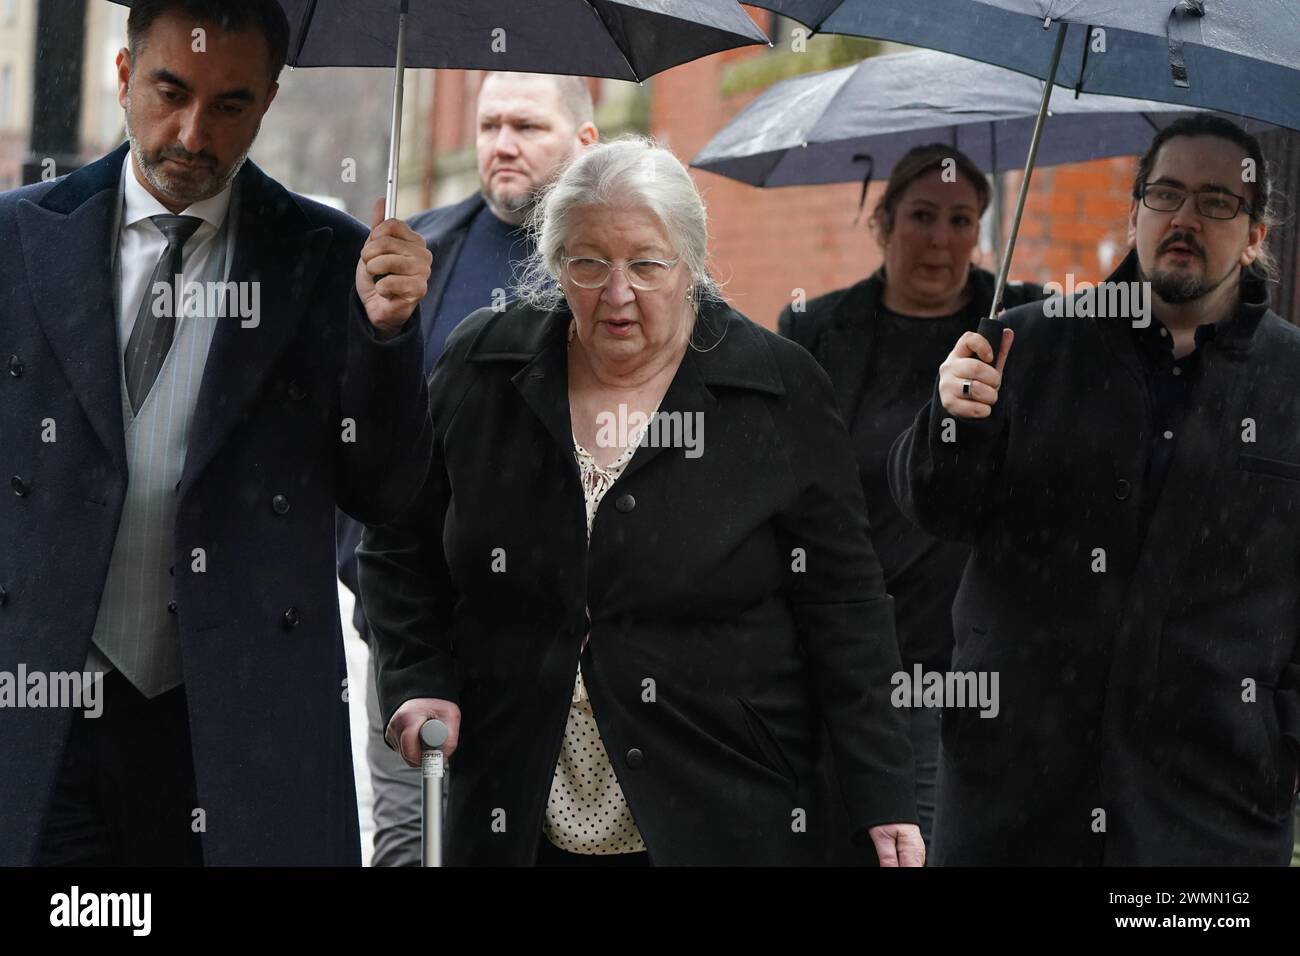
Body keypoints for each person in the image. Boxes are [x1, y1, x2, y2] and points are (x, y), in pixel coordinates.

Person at [358, 137, 924, 866]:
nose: (617, 294)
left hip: (720, 804)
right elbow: (399, 539)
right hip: (515, 794)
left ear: (691, 266)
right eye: (588, 263)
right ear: (555, 264)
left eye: (647, 264)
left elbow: (846, 606)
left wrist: (882, 796)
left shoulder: (777, 389)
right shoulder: (483, 364)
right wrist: (417, 680)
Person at [0, 0, 433, 866]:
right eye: (171, 91)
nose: (194, 133)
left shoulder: (329, 258)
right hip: (43, 706)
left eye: (230, 104)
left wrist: (388, 340)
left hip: (236, 723)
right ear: (123, 77)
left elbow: (383, 491)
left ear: (268, 101)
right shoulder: (16, 238)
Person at [890, 115, 1300, 865]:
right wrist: (951, 418)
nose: (1183, 218)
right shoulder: (1028, 342)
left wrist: (1278, 738)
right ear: (1135, 210)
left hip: (1210, 810)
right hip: (1014, 791)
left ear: (1253, 235)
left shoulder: (1292, 382)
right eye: (1165, 194)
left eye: (1215, 202)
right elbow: (935, 506)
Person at [335, 71, 598, 867]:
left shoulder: (608, 267)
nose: (502, 145)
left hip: (557, 644)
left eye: (526, 125)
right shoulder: (413, 255)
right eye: (488, 127)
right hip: (415, 624)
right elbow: (357, 422)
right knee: (412, 841)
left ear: (586, 142)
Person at [780, 144, 1043, 850]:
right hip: (840, 647)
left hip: (958, 653)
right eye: (922, 215)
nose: (940, 238)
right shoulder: (814, 332)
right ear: (882, 222)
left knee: (920, 839)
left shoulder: (1025, 326)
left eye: (962, 219)